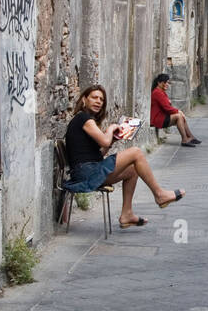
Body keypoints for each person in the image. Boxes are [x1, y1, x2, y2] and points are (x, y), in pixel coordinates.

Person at [64, 85, 184, 226]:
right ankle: (159, 194)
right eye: (94, 97)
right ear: (84, 99)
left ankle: (127, 214)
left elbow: (97, 154)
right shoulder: (83, 119)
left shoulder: (87, 120)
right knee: (136, 152)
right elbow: (104, 140)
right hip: (86, 173)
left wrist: (113, 140)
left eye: (101, 99)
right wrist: (110, 130)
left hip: (88, 171)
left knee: (132, 170)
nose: (98, 102)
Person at [150, 73, 199, 147]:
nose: (167, 84)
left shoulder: (160, 91)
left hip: (162, 117)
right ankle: (185, 139)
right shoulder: (157, 92)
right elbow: (167, 108)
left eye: (167, 82)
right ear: (159, 83)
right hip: (157, 119)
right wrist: (178, 111)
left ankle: (190, 137)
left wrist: (178, 111)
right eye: (165, 82)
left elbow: (167, 106)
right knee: (179, 116)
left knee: (180, 116)